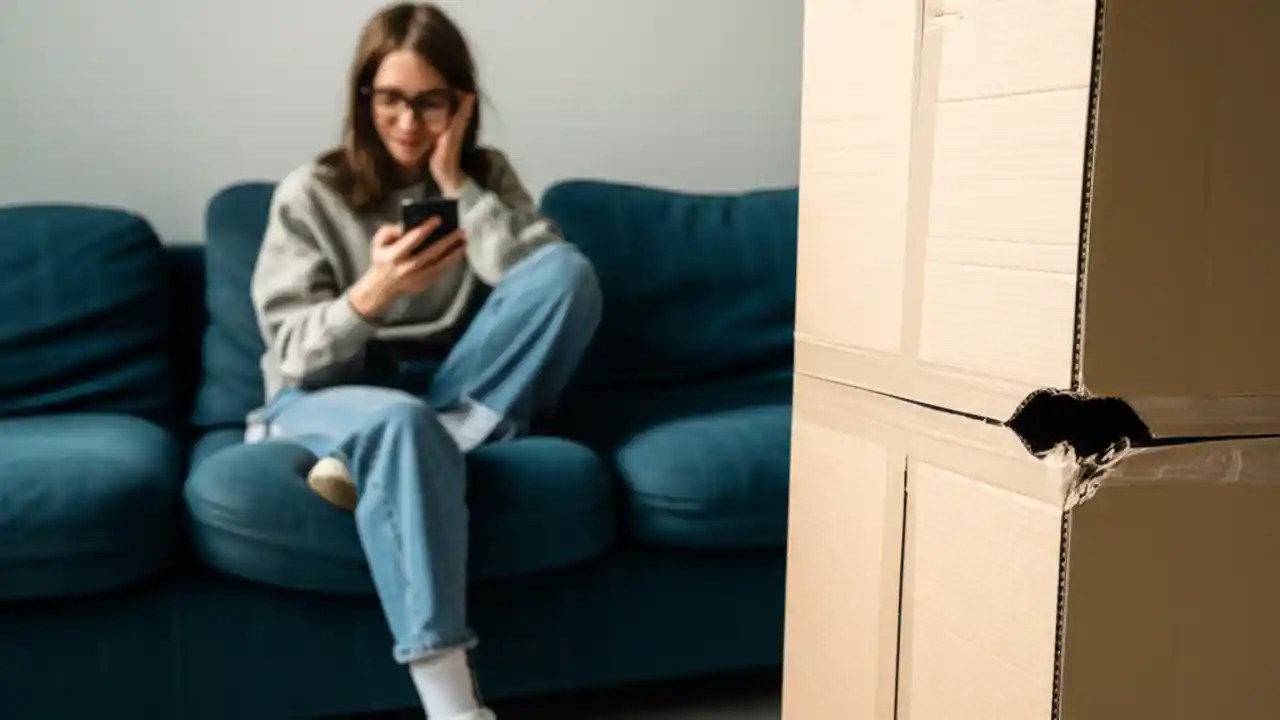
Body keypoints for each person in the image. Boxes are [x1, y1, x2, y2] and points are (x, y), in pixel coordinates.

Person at [245, 3, 602, 718]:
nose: (409, 122)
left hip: (450, 388)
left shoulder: (486, 179)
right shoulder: (309, 195)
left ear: (461, 102)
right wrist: (371, 295)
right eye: (391, 100)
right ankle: (454, 707)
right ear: (363, 98)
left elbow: (543, 283)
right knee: (402, 422)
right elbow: (293, 354)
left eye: (430, 102)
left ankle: (410, 446)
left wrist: (458, 187)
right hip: (328, 392)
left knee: (569, 271)